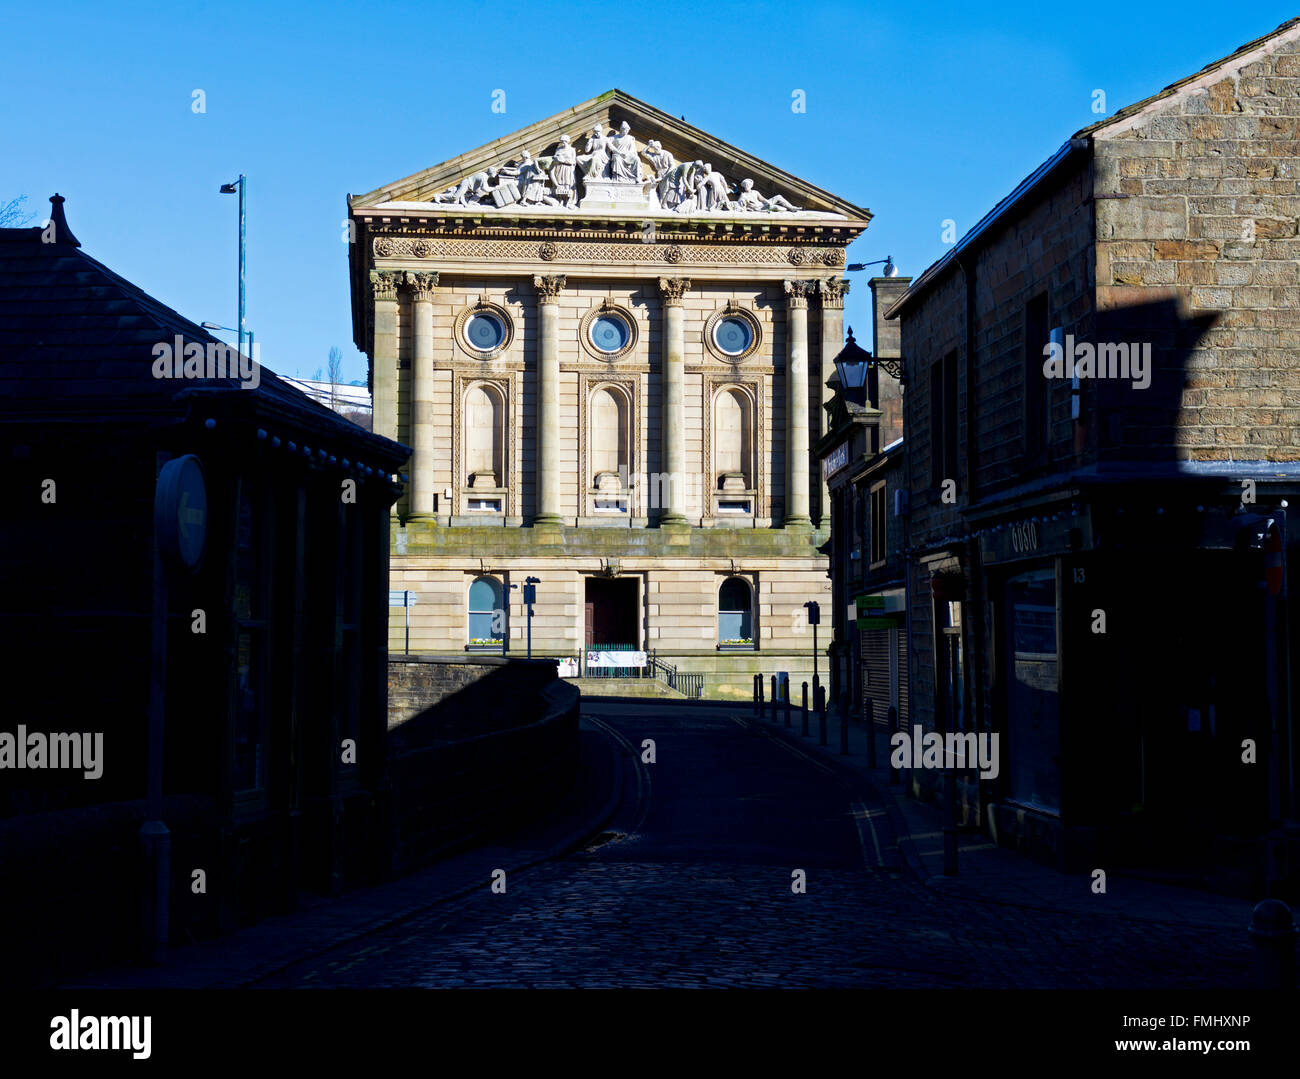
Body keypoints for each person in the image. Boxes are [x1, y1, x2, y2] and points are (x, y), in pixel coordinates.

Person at [550, 134, 578, 207]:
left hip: (568, 169)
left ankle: (568, 201)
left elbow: (573, 161)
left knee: (567, 184)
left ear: (567, 141)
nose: (563, 143)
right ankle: (561, 200)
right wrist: (557, 159)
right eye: (562, 141)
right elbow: (554, 158)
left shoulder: (572, 150)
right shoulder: (558, 149)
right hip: (559, 168)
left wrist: (564, 160)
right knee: (559, 183)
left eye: (564, 141)